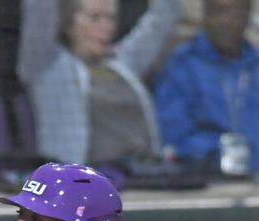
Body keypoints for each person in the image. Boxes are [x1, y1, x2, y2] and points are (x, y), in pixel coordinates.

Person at [153, 0, 259, 185]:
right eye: (218, 12)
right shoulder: (182, 66)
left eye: (235, 12)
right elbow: (174, 137)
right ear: (205, 15)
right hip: (223, 185)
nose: (226, 21)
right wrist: (224, 155)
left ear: (248, 16)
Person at [17, 0, 182, 168]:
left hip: (141, 176)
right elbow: (39, 12)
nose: (106, 26)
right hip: (81, 182)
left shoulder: (124, 61)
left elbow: (163, 19)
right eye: (94, 18)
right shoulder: (47, 67)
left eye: (110, 18)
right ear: (68, 23)